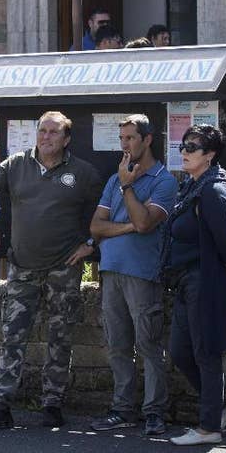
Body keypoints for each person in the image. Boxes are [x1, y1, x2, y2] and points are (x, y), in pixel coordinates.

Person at [0, 111, 102, 431]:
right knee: (12, 337)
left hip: (63, 270)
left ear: (66, 139)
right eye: (42, 131)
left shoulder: (83, 173)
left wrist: (91, 243)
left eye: (54, 133)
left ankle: (52, 403)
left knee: (60, 338)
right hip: (23, 267)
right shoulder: (16, 164)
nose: (46, 137)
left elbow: (104, 212)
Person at [88, 115, 177, 436]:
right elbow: (96, 227)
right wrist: (125, 225)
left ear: (147, 139)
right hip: (110, 271)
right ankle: (122, 409)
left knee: (149, 344)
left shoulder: (163, 180)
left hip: (143, 273)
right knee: (118, 345)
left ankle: (154, 412)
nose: (124, 145)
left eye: (130, 138)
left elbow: (144, 223)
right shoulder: (114, 179)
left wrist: (127, 186)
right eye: (122, 138)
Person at [161, 124, 226, 446]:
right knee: (181, 352)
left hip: (204, 281)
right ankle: (217, 410)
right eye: (183, 146)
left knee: (205, 353)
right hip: (185, 281)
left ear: (209, 155)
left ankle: (210, 428)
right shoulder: (192, 186)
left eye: (192, 148)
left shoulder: (212, 191)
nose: (184, 152)